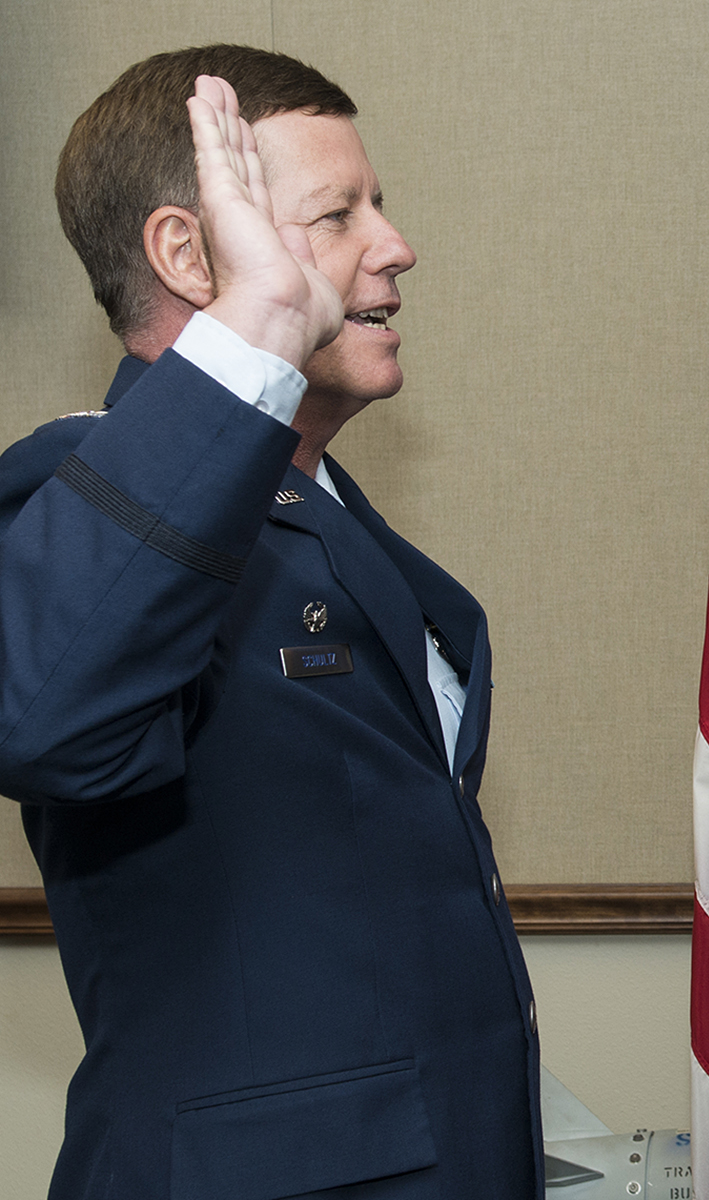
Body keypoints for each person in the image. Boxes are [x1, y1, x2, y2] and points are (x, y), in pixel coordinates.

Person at [0, 47, 541, 1198]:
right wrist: (254, 327)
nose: (395, 246)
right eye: (338, 213)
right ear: (192, 257)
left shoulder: (317, 505)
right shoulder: (72, 490)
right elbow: (44, 718)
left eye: (380, 205)